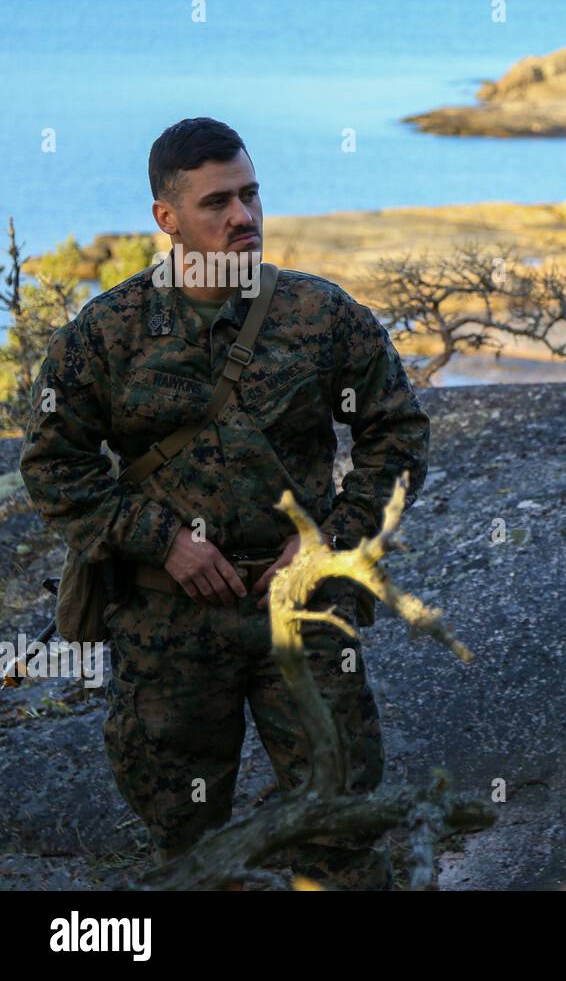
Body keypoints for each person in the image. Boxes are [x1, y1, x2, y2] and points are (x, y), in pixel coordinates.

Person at [20, 117, 430, 888]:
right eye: (217, 203)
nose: (243, 217)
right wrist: (161, 538)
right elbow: (53, 462)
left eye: (250, 195)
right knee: (188, 839)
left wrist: (332, 539)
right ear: (166, 219)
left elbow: (398, 433)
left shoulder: (320, 316)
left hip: (301, 612)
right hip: (168, 626)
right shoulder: (106, 333)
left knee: (339, 822)